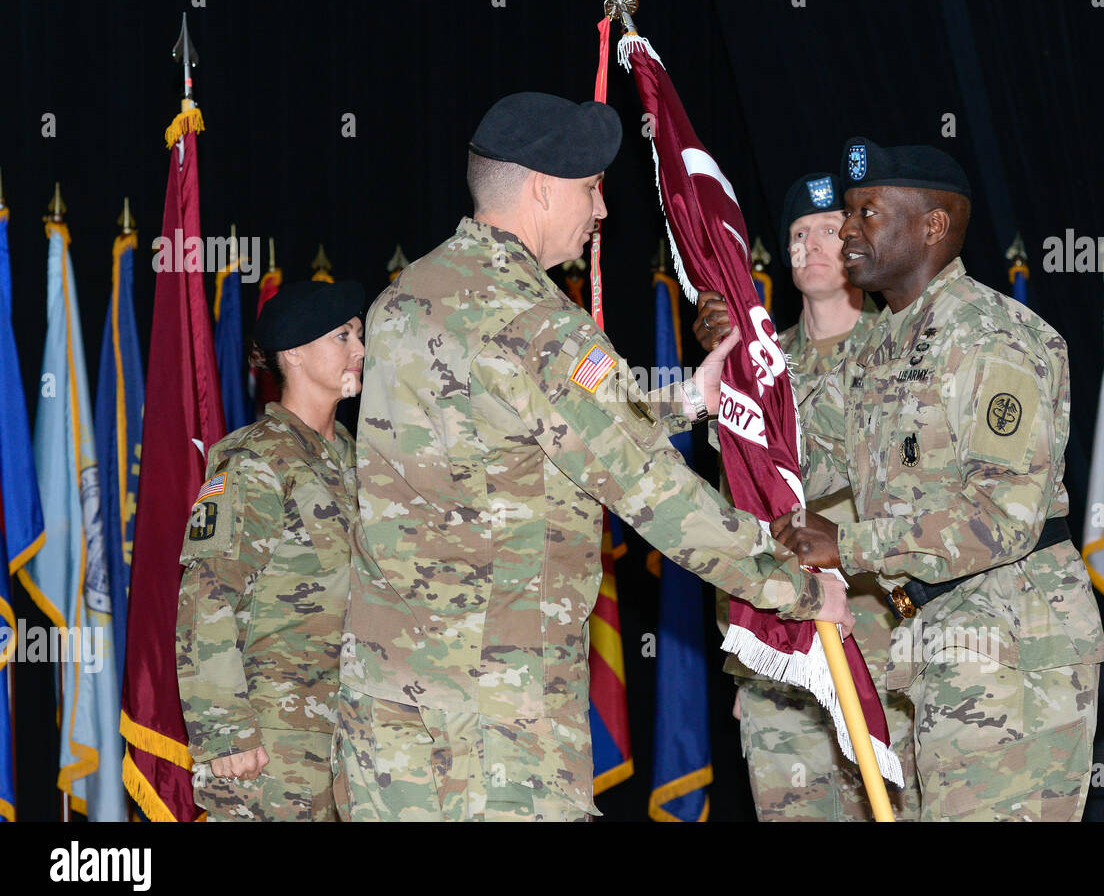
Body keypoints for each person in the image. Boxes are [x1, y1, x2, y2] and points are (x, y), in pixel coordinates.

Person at [334, 91, 851, 822]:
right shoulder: (540, 322)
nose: (602, 211)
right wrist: (793, 588)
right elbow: (654, 494)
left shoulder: (405, 300)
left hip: (387, 714)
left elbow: (508, 425)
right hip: (498, 728)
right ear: (541, 188)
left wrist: (684, 399)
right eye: (590, 189)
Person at [772, 137, 1104, 821]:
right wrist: (729, 380)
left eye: (868, 213)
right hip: (933, 640)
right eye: (849, 213)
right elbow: (797, 452)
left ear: (933, 226)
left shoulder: (990, 337)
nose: (848, 232)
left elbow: (1002, 517)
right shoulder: (880, 350)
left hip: (1012, 646)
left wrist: (852, 546)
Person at [693, 171, 921, 821]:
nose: (815, 243)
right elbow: (734, 510)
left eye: (829, 228)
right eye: (799, 232)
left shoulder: (900, 350)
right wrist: (742, 646)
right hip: (783, 649)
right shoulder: (759, 365)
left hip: (876, 640)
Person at [176, 279, 366, 821]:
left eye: (358, 334)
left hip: (354, 745)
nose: (360, 349)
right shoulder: (258, 461)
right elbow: (206, 598)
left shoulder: (361, 461)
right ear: (294, 355)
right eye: (342, 336)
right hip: (273, 746)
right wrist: (225, 732)